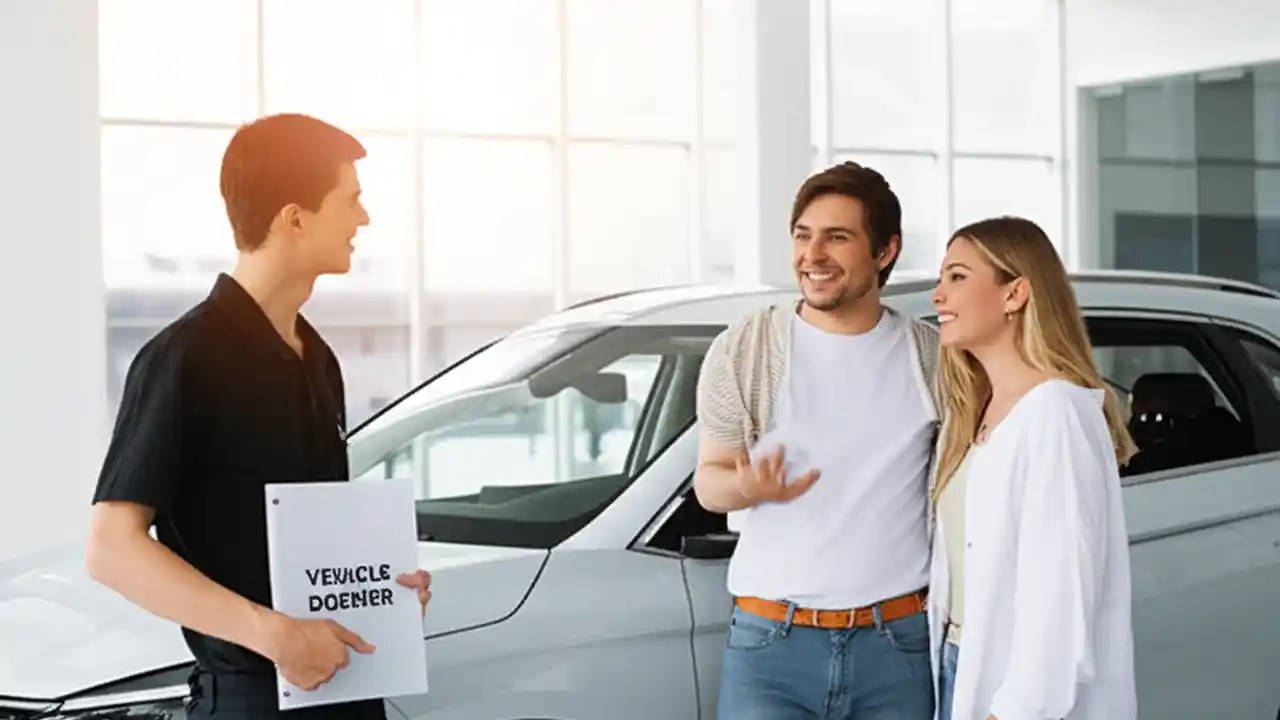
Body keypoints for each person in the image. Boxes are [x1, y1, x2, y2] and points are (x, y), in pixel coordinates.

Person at [85, 113, 432, 720]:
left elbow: (307, 540)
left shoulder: (317, 357)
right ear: (295, 218)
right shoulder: (182, 359)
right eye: (350, 200)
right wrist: (275, 636)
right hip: (251, 701)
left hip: (347, 687)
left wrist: (379, 591)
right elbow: (111, 549)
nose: (364, 219)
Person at [694, 161, 942, 719]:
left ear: (884, 251)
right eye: (803, 236)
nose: (813, 255)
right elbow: (709, 485)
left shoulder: (932, 359)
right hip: (770, 648)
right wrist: (748, 485)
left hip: (896, 646)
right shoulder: (746, 349)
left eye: (837, 237)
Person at [928, 216, 1138, 720]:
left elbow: (1060, 600)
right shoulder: (973, 413)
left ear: (1014, 293)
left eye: (957, 277)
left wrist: (1014, 712)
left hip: (1016, 699)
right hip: (959, 665)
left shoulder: (1055, 414)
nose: (938, 295)